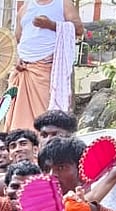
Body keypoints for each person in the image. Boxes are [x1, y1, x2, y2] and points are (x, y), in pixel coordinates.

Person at [7, 0, 83, 131]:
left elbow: (79, 29)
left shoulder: (63, 4)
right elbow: (18, 38)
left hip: (46, 69)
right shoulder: (25, 7)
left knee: (45, 117)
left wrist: (52, 25)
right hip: (22, 70)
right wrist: (17, 58)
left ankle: (45, 147)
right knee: (17, 118)